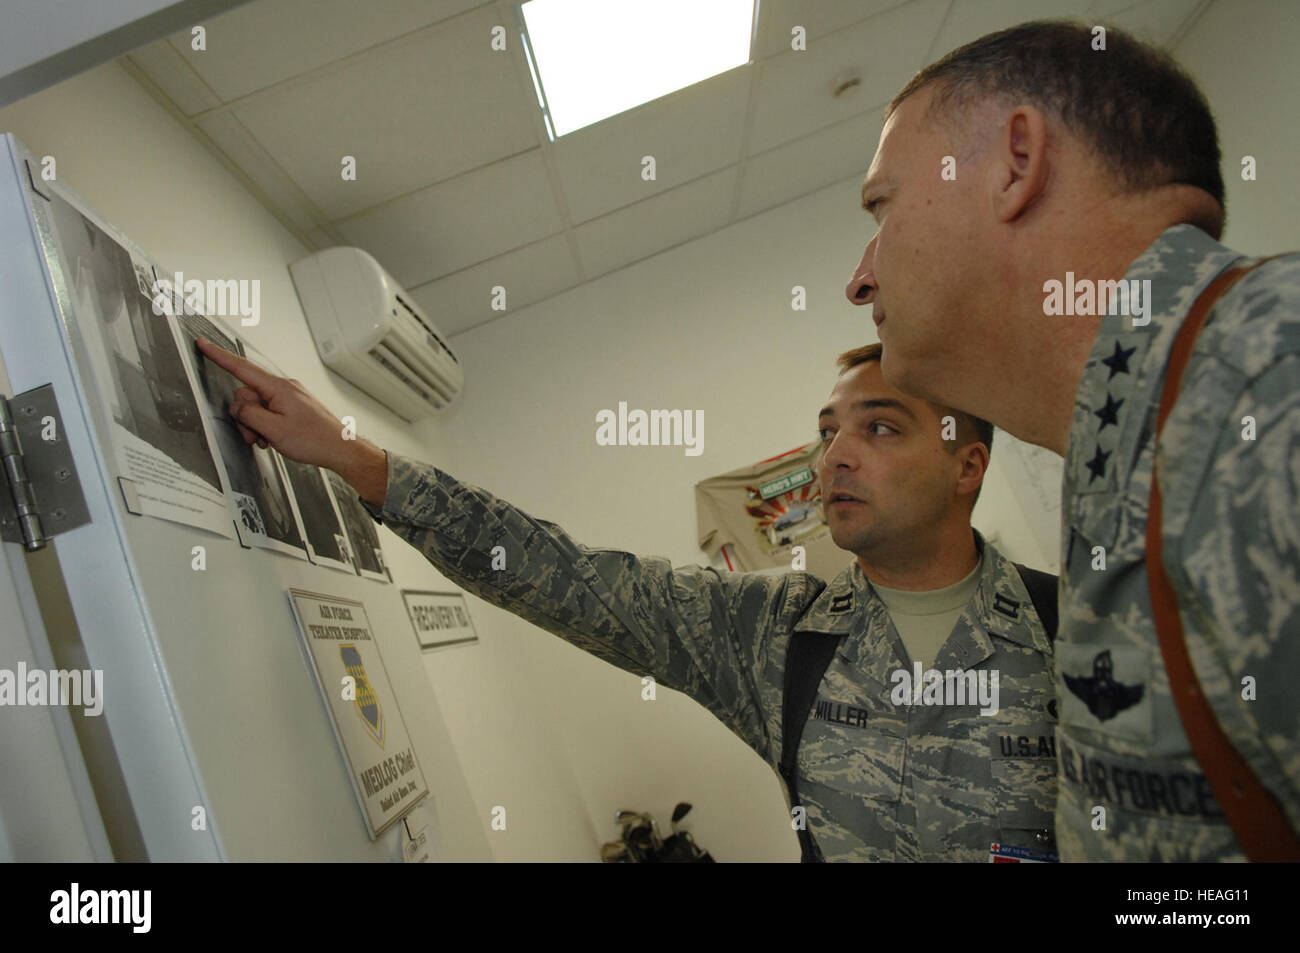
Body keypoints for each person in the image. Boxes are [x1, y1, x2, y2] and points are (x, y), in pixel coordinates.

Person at [196, 336, 1058, 862]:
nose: (835, 454)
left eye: (878, 427)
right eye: (828, 430)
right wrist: (359, 459)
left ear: (966, 467)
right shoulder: (777, 634)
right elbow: (564, 572)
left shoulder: (1084, 630)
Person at [843, 19, 1299, 861]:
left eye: (884, 206)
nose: (860, 277)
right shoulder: (1146, 441)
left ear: (1016, 163)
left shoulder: (1270, 387)